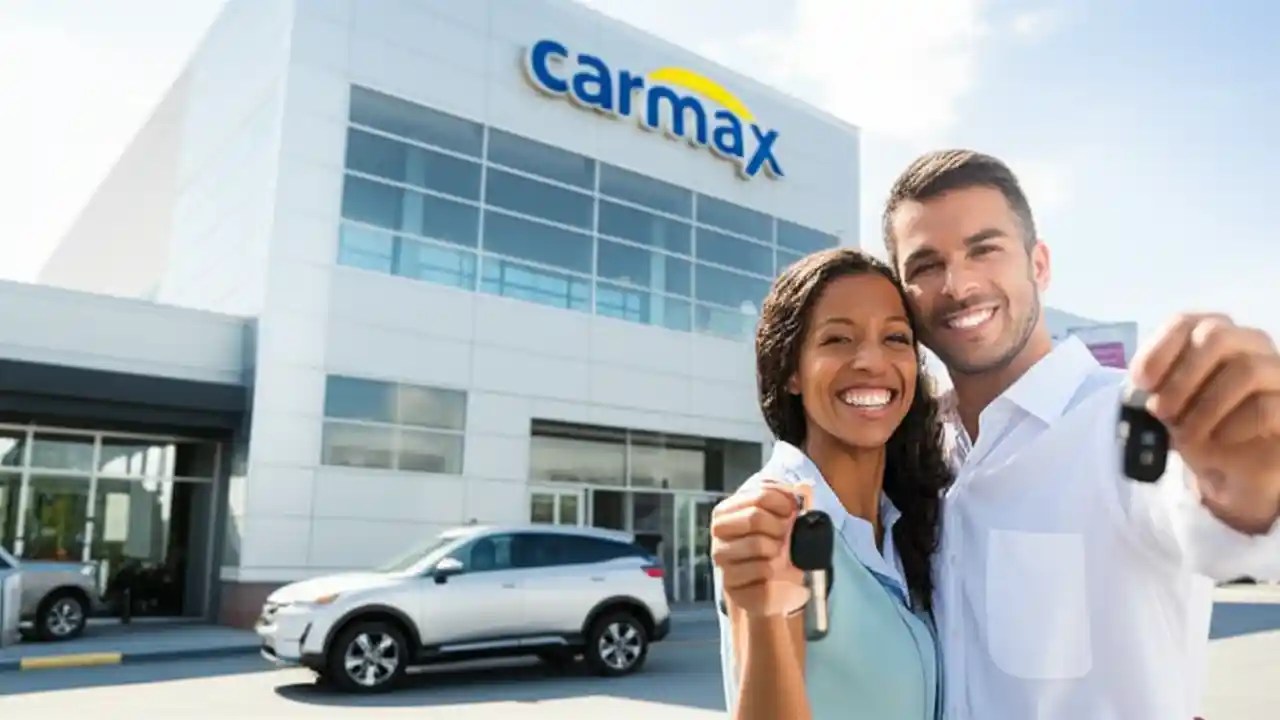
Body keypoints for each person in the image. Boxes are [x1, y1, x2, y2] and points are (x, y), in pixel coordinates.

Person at [881, 149, 1280, 719]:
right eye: (925, 265)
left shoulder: (1130, 419)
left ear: (1038, 265)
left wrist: (1249, 485)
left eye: (984, 249)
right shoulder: (919, 452)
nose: (958, 284)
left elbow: (1222, 517)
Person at [711, 248, 952, 720]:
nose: (870, 360)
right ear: (792, 371)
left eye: (895, 338)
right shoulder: (774, 519)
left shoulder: (903, 525)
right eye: (838, 339)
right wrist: (766, 614)